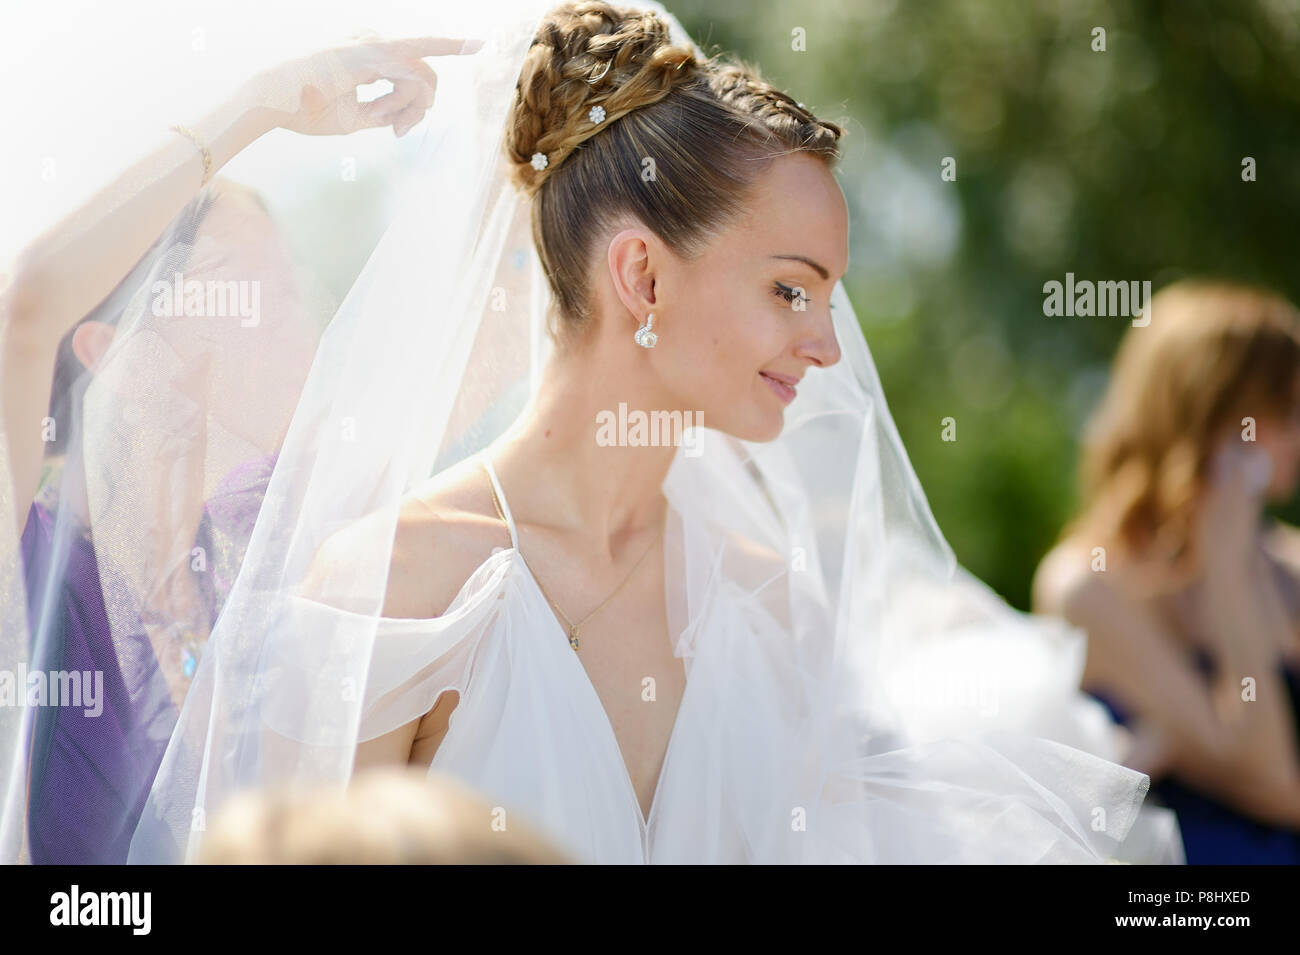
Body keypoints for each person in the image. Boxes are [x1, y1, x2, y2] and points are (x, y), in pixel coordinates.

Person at [2, 0, 1169, 865]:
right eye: (788, 290)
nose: (825, 346)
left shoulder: (771, 603)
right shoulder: (397, 587)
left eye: (828, 297)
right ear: (640, 277)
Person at [1034, 278, 1300, 863]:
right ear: (1212, 414)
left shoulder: (1288, 566)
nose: (1295, 432)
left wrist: (1169, 740)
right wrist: (1228, 568)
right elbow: (1277, 781)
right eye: (1282, 409)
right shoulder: (1090, 583)